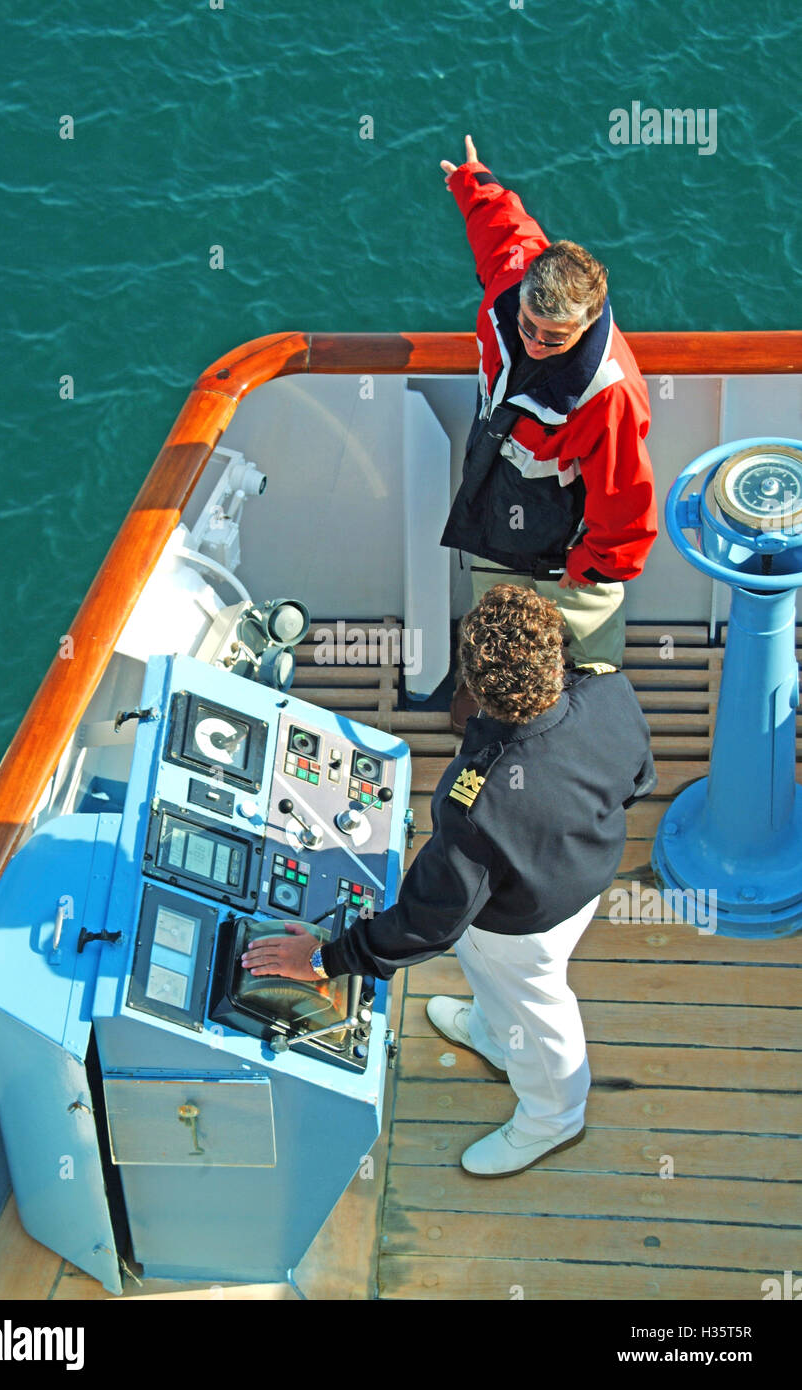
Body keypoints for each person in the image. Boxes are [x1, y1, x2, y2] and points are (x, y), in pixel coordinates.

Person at [242, 585, 657, 1177]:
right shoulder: (610, 690)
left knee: (540, 1009)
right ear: (556, 652)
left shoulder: (477, 802)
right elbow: (638, 780)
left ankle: (553, 1119)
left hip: (522, 926)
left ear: (477, 686)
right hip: (584, 878)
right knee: (498, 985)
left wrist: (325, 960)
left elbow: (431, 922)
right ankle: (494, 1033)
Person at [439, 136, 658, 732]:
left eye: (553, 338)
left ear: (587, 322)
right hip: (497, 500)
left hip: (565, 536)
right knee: (492, 621)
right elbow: (502, 227)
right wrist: (472, 179)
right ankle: (489, 707)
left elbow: (627, 505)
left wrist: (589, 566)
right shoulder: (515, 279)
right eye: (528, 326)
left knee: (586, 652)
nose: (535, 343)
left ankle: (585, 735)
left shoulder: (609, 393)